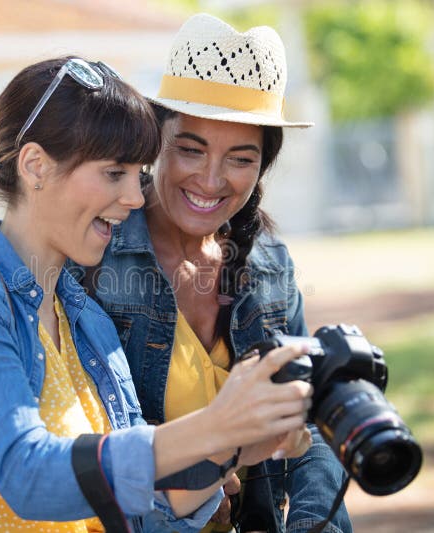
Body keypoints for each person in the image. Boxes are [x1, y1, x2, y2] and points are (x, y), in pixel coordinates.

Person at [0, 56, 316, 533]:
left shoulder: (85, 316)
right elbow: (28, 474)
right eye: (115, 173)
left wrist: (237, 448)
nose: (136, 197)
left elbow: (140, 516)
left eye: (138, 173)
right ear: (35, 166)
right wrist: (214, 427)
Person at [78, 14, 353, 533]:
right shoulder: (95, 257)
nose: (210, 179)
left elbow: (309, 423)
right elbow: (81, 443)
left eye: (240, 159)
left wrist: (315, 524)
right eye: (190, 149)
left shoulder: (269, 264)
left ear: (262, 167)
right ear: (156, 139)